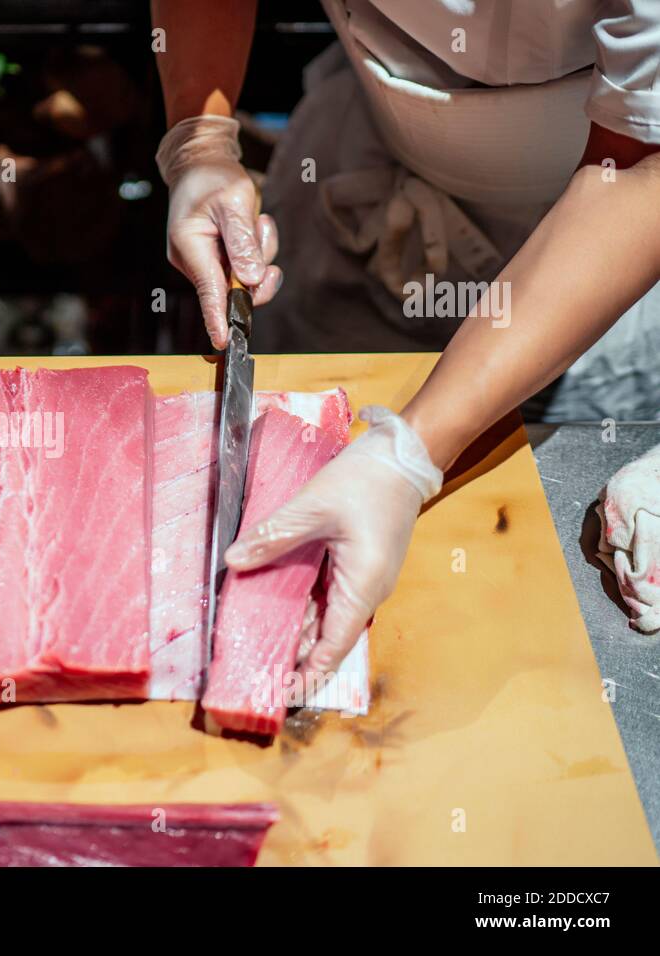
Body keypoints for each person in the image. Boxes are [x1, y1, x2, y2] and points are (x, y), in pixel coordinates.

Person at [153, 0, 660, 675]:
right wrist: (201, 137)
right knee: (292, 475)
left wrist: (406, 457)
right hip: (363, 176)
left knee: (499, 593)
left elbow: (633, 171)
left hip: (595, 265)